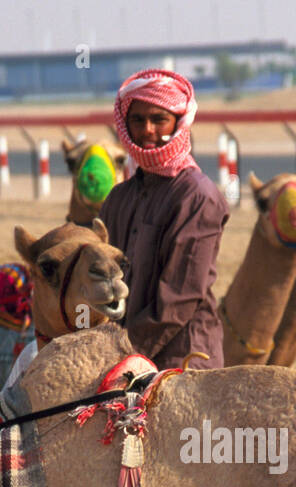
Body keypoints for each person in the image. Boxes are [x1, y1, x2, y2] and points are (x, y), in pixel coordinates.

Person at [98, 70, 229, 369]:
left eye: (159, 120)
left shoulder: (197, 197)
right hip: (121, 356)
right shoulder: (118, 199)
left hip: (184, 360)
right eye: (138, 120)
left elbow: (180, 297)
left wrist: (120, 351)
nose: (147, 130)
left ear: (179, 123)